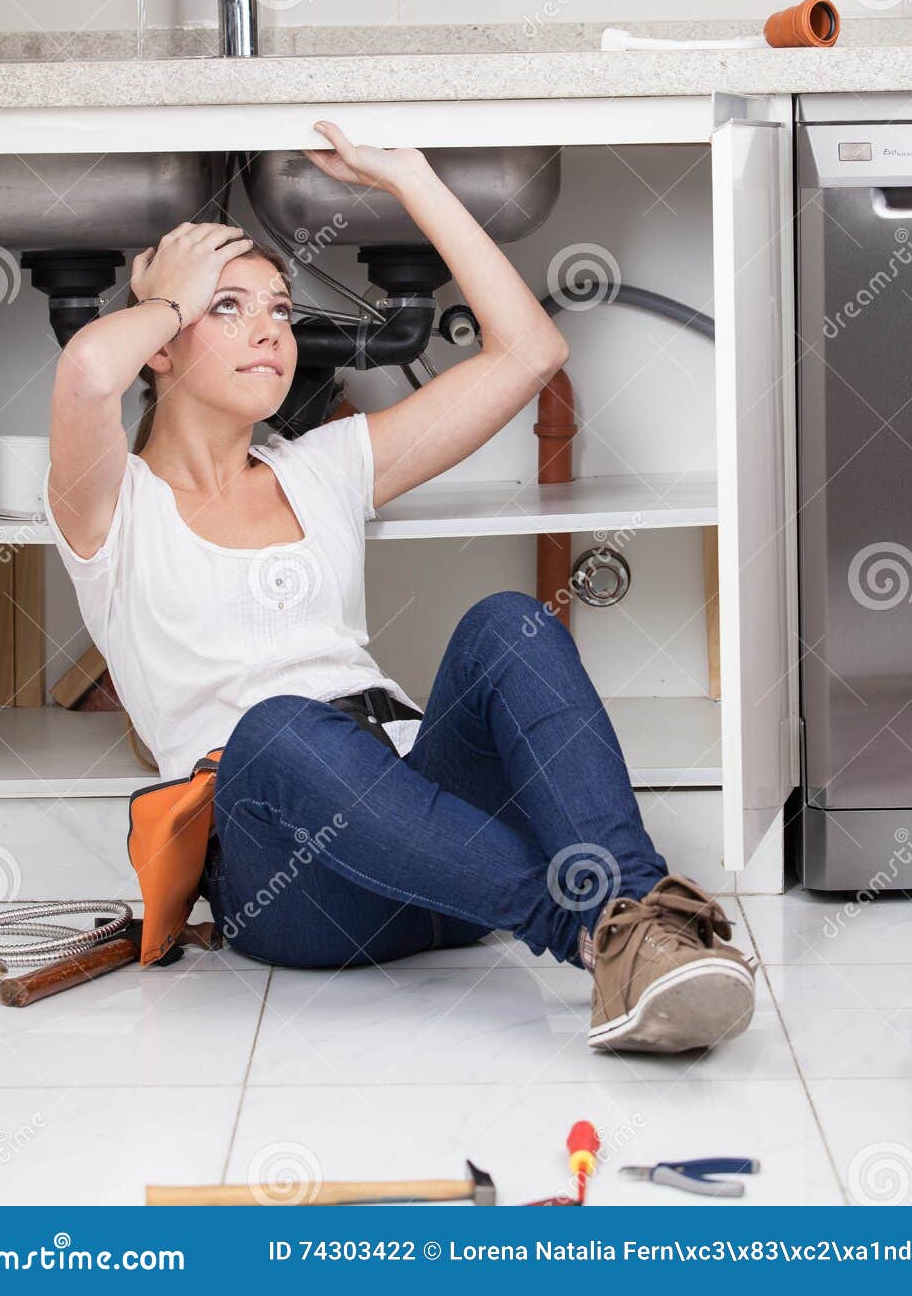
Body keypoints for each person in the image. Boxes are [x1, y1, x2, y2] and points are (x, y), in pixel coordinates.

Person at [44, 120, 755, 1054]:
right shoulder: (110, 511)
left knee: (509, 622)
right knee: (280, 729)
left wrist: (411, 177)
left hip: (431, 842)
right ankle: (590, 931)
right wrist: (166, 297)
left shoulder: (322, 468)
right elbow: (90, 370)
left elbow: (527, 353)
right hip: (292, 883)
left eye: (280, 309)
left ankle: (634, 924)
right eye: (228, 308)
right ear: (165, 344)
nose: (269, 328)